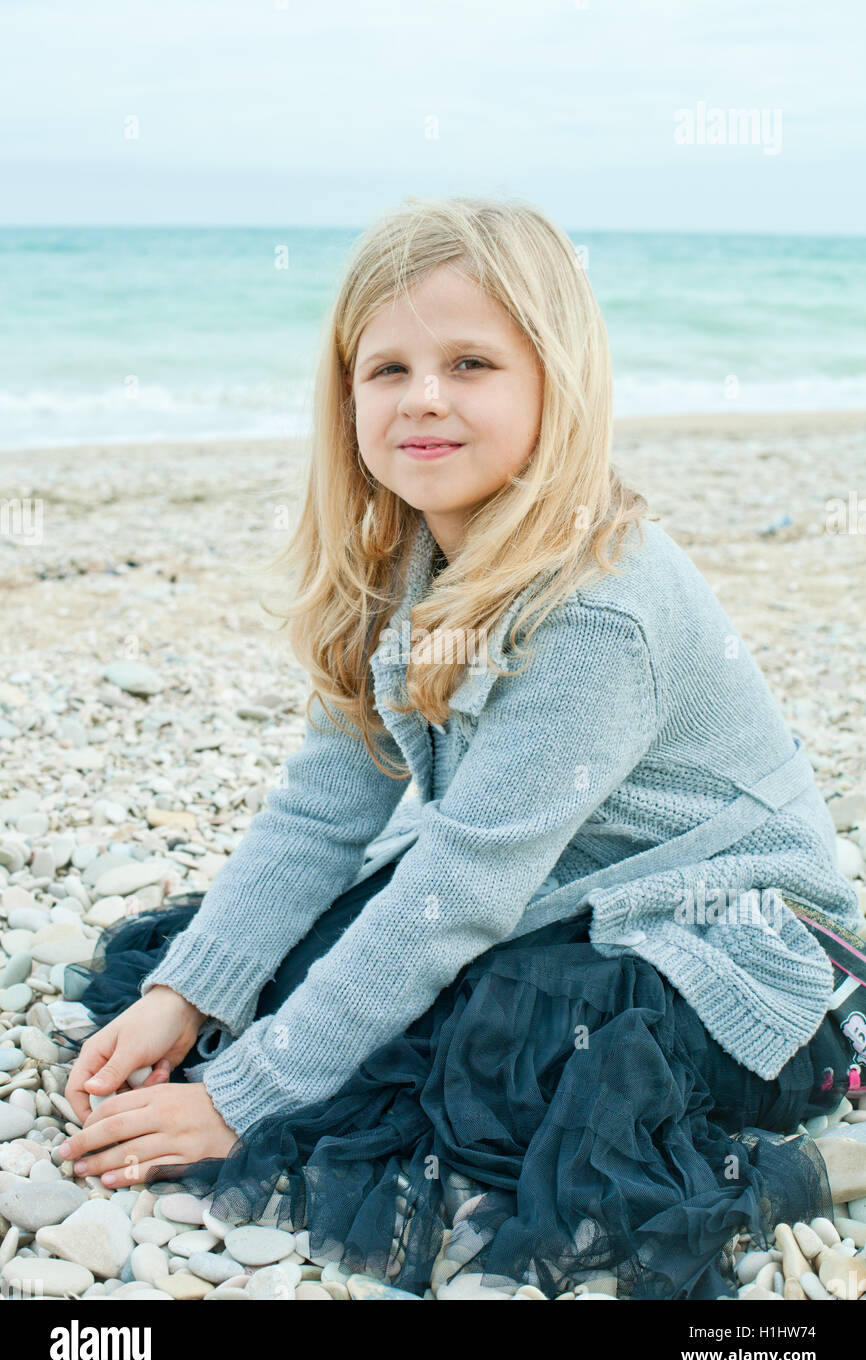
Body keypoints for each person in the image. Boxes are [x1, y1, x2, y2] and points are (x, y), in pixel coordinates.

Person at [60, 195, 866, 1300]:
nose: (421, 397)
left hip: (728, 941)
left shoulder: (599, 606)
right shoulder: (399, 560)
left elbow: (461, 883)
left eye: (471, 363)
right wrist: (188, 998)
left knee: (507, 1072)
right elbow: (320, 811)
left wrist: (238, 1099)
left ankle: (777, 1174)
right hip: (564, 892)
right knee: (281, 974)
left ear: (554, 383)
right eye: (385, 369)